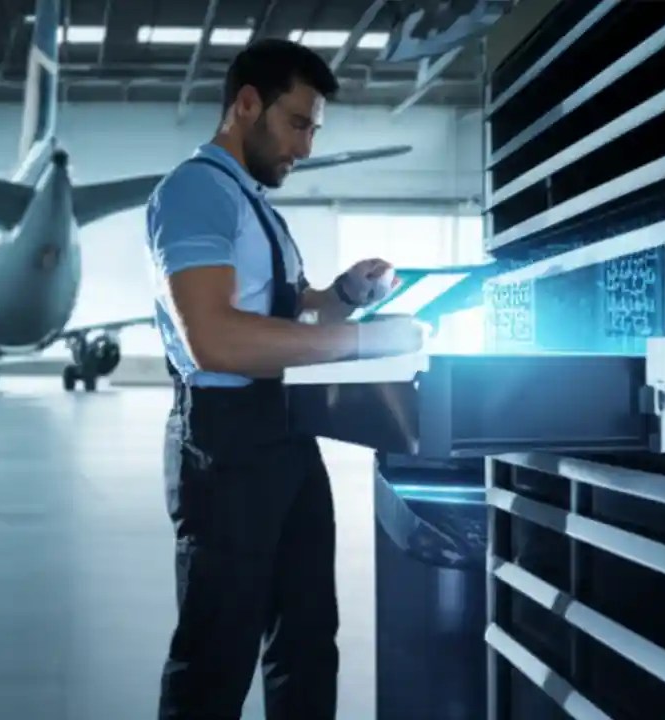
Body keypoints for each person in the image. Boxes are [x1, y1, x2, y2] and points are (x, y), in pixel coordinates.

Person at [144, 39, 425, 719]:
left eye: (312, 129)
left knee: (305, 638)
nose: (304, 147)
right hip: (225, 448)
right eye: (297, 124)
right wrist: (361, 342)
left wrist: (344, 297)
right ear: (246, 104)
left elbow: (282, 313)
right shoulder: (194, 194)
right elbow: (213, 337)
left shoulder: (252, 201)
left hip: (286, 434)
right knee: (218, 653)